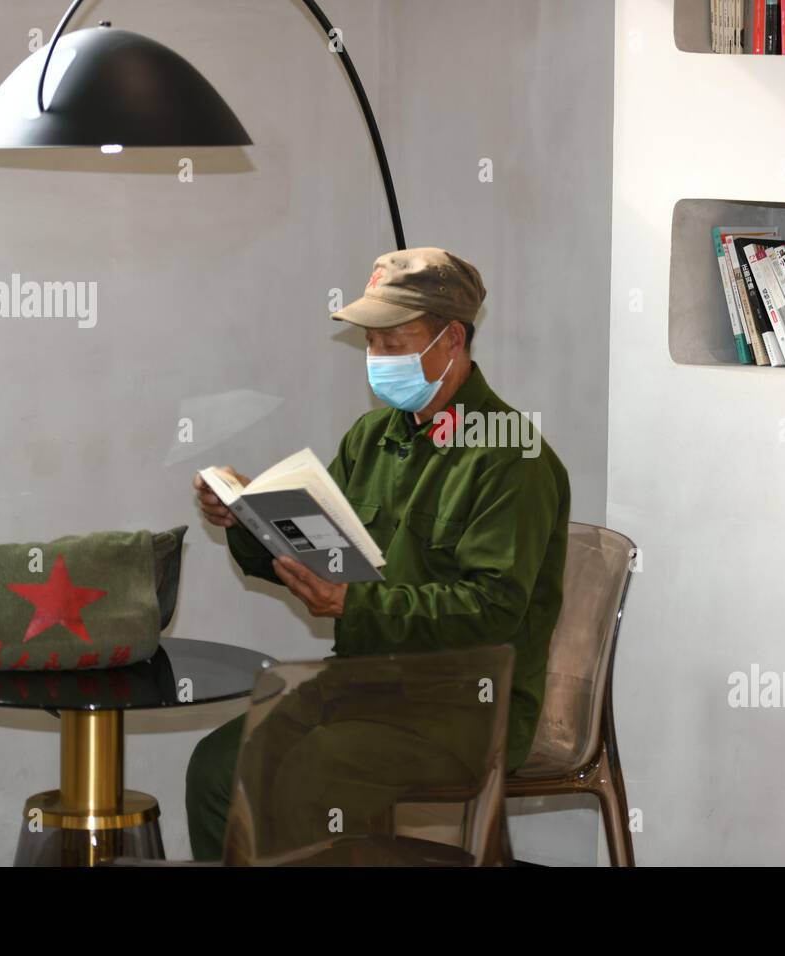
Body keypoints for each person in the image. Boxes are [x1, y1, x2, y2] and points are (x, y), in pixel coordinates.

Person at [185, 248, 570, 861]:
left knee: (304, 777)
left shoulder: (511, 456)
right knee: (217, 768)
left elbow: (494, 608)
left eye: (396, 341)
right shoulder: (374, 438)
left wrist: (353, 603)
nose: (379, 357)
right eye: (372, 341)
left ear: (452, 339)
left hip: (464, 704)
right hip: (363, 683)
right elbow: (320, 551)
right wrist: (245, 518)